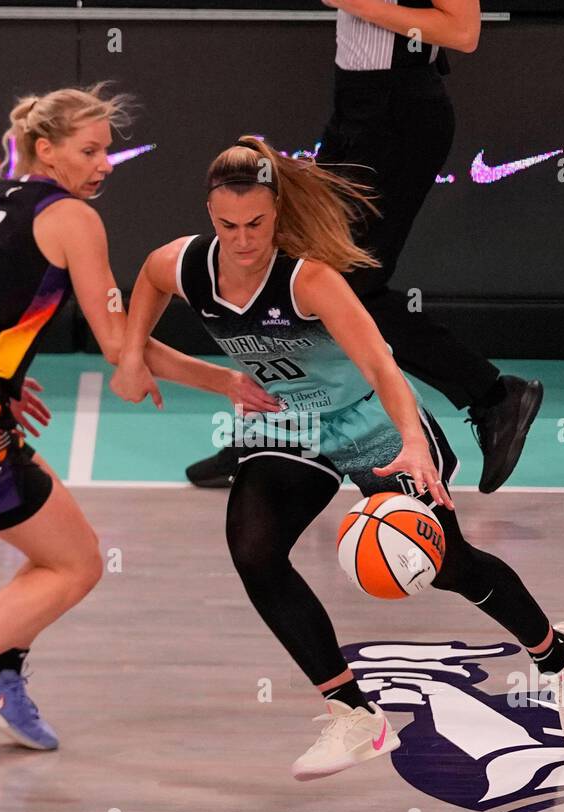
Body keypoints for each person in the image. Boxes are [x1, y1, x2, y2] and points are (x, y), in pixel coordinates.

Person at [112, 137, 564, 780]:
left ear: (278, 212)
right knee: (255, 552)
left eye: (257, 225)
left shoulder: (308, 279)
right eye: (228, 225)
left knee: (447, 566)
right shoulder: (180, 265)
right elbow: (147, 292)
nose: (242, 240)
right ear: (210, 214)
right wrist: (147, 359)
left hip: (374, 421)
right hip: (289, 423)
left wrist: (411, 441)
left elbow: (380, 361)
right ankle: (355, 716)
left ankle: (559, 657)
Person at [0, 86, 276, 764]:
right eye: (90, 151)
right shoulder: (72, 220)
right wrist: (225, 380)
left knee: (62, 553)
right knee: (76, 564)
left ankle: (1, 674)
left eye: (108, 151)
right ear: (46, 150)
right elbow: (121, 343)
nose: (106, 164)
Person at [185, 0, 543, 491]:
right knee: (290, 267)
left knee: (348, 290)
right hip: (356, 103)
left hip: (398, 114)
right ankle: (281, 430)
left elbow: (462, 32)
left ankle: (494, 395)